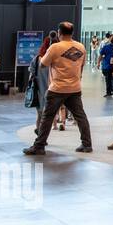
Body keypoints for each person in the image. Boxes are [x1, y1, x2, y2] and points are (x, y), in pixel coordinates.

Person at [23, 21, 92, 155]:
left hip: (57, 89)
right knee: (80, 117)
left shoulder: (55, 48)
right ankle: (87, 144)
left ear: (59, 33)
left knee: (47, 117)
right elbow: (81, 65)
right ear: (72, 32)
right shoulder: (81, 47)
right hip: (74, 88)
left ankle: (39, 146)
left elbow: (42, 64)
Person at [98, 33, 113, 97]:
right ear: (110, 39)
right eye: (112, 38)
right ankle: (108, 92)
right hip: (107, 66)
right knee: (108, 79)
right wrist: (98, 63)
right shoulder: (106, 47)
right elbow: (101, 55)